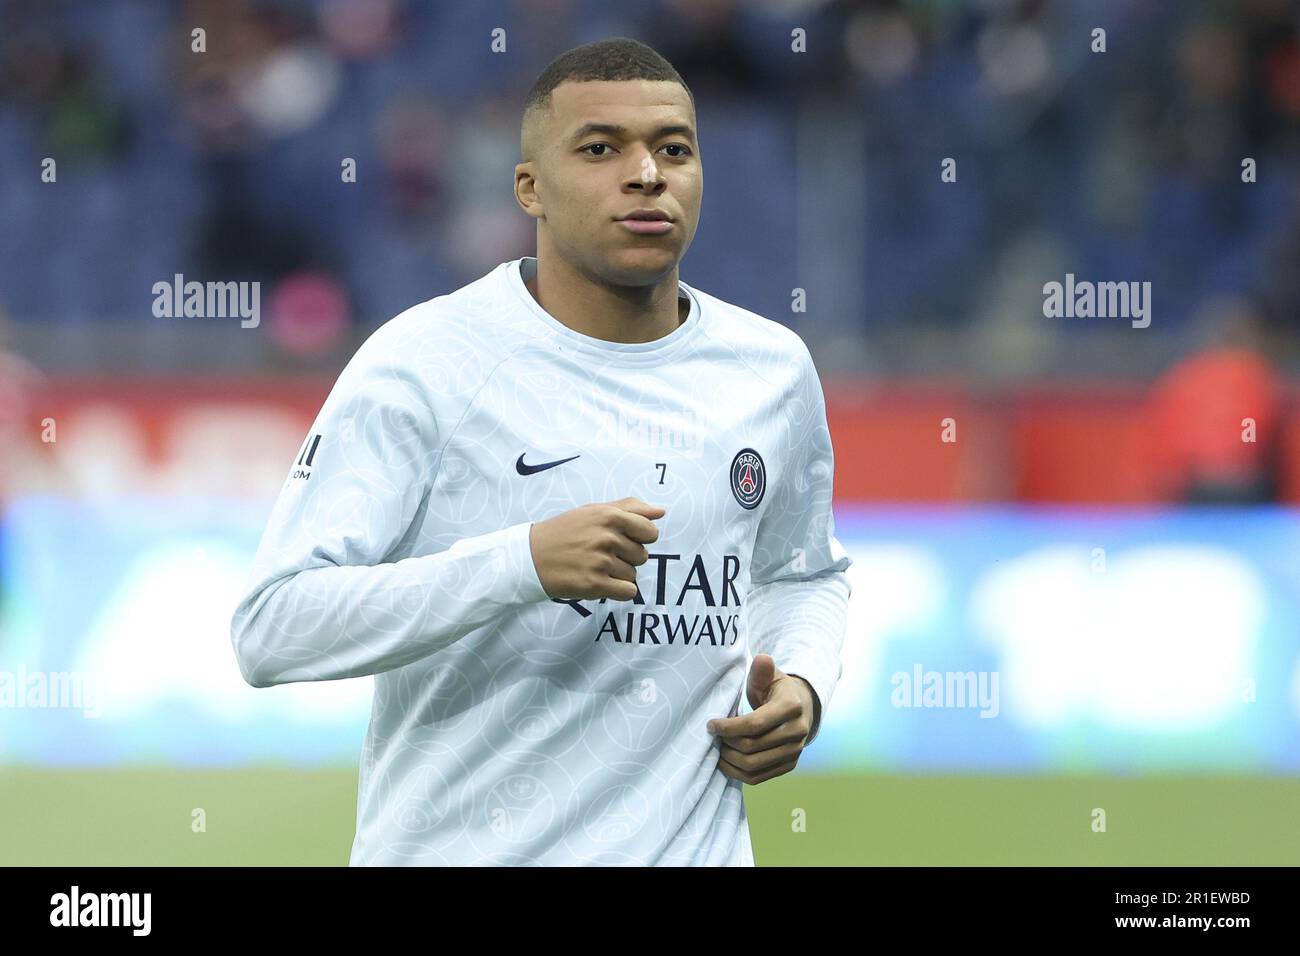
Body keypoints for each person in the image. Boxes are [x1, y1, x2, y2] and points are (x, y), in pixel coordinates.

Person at [230, 37, 852, 866]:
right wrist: (520, 563)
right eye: (600, 148)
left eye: (674, 149)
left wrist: (802, 685)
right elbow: (273, 629)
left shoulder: (771, 370)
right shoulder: (427, 362)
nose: (646, 174)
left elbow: (804, 573)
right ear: (531, 188)